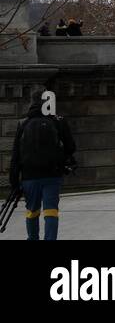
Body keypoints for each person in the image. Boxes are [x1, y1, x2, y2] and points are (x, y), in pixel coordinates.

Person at [8, 91, 77, 241]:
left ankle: (33, 238)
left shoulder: (23, 123)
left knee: (32, 211)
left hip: (29, 176)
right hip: (52, 174)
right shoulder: (58, 120)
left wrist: (14, 182)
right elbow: (71, 147)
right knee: (51, 210)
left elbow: (16, 156)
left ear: (31, 102)